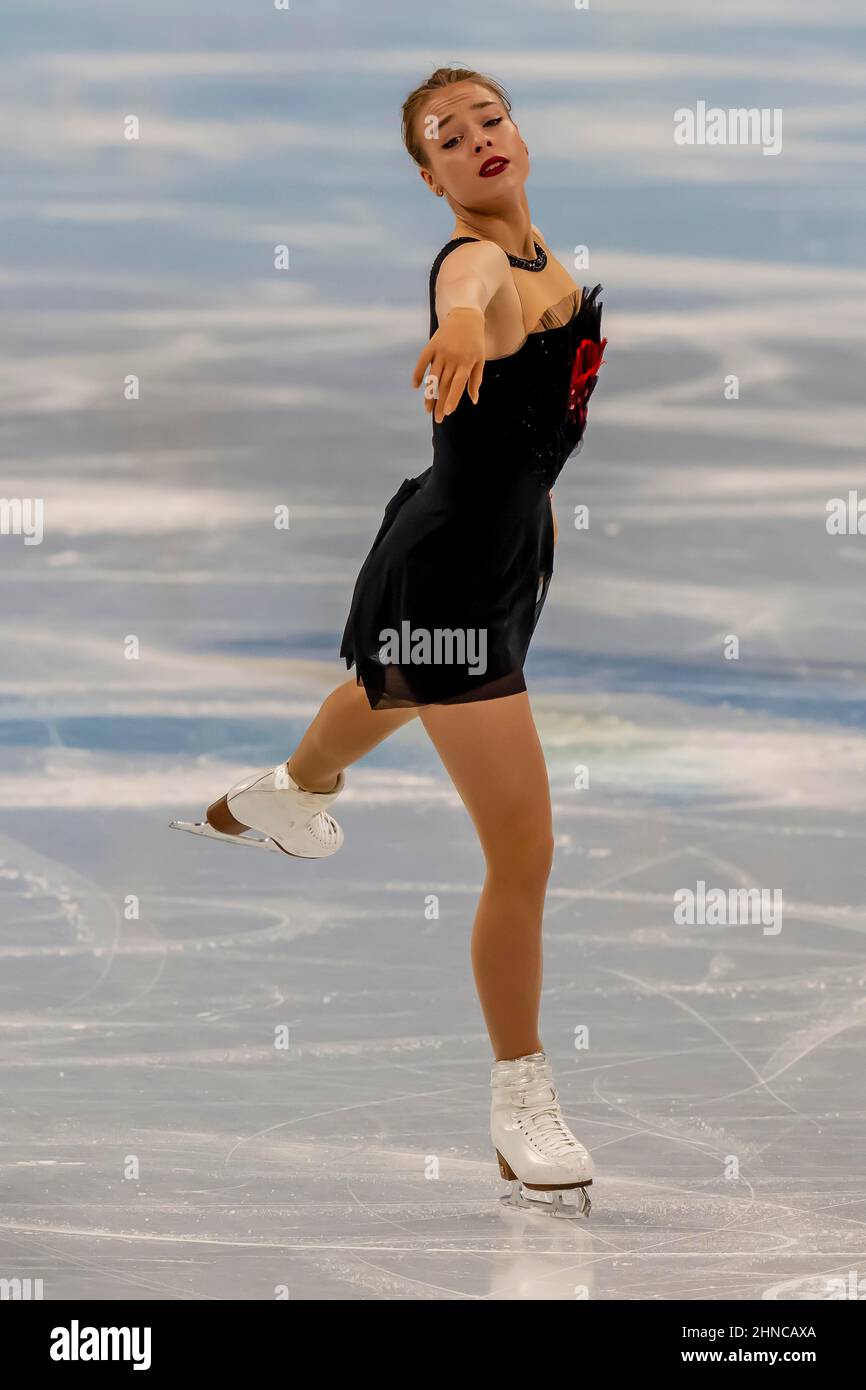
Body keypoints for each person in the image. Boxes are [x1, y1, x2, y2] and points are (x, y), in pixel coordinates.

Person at [172, 66, 606, 1218]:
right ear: (429, 179)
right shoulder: (475, 265)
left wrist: (531, 512)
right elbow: (467, 300)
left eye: (488, 119)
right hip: (455, 577)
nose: (476, 140)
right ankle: (521, 1100)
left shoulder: (534, 246)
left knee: (384, 692)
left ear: (517, 131)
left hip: (493, 554)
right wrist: (459, 324)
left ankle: (288, 790)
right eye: (446, 138)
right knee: (524, 853)